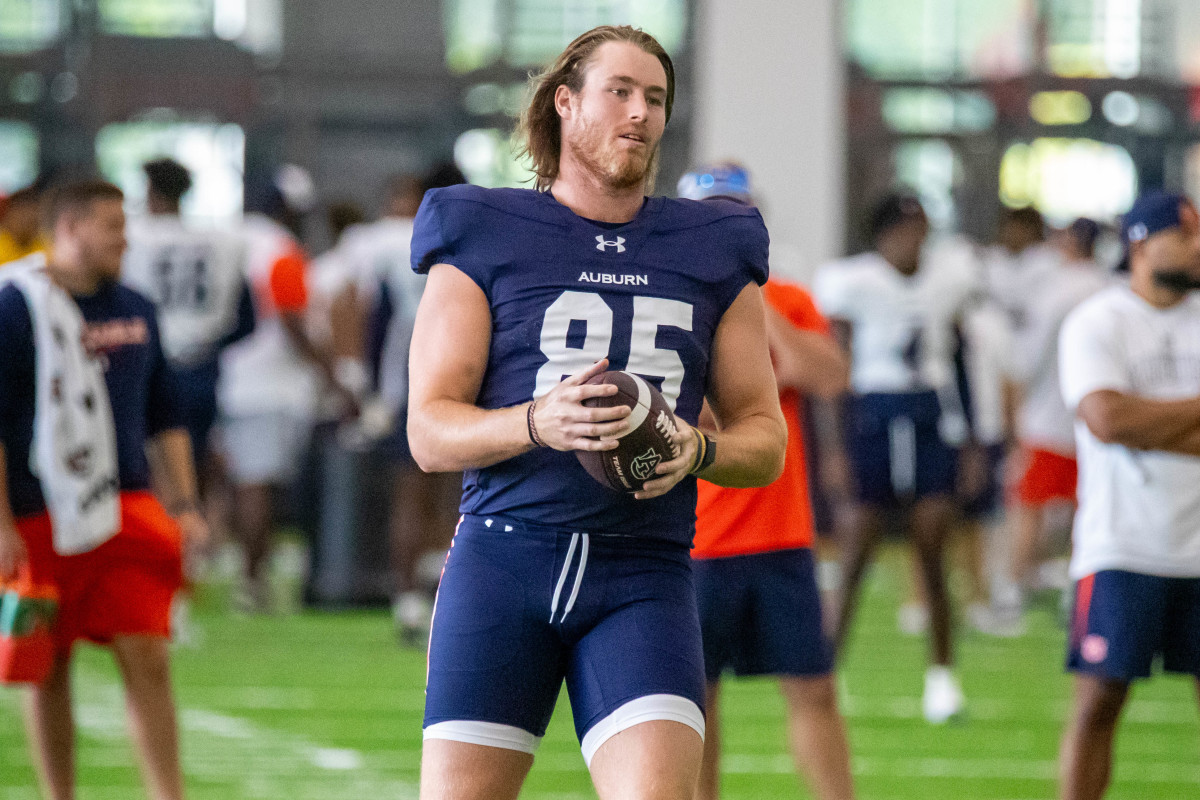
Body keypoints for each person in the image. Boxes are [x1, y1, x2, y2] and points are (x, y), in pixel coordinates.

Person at [407, 25, 785, 800]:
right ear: (565, 102)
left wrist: (699, 451)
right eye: (619, 91)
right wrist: (536, 423)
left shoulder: (714, 244)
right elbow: (428, 430)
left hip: (642, 571)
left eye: (655, 98)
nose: (640, 113)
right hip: (505, 561)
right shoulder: (483, 227)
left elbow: (764, 438)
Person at [0, 179, 207, 800]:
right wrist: (2, 524)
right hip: (40, 510)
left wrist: (187, 503)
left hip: (128, 506)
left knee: (148, 653)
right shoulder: (14, 308)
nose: (125, 239)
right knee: (46, 667)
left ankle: (167, 795)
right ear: (69, 229)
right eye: (112, 226)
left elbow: (164, 412)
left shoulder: (137, 308)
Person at [678, 162, 855, 800]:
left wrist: (753, 297)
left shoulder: (788, 299)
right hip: (698, 537)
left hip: (782, 533)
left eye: (739, 214)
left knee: (814, 686)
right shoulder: (672, 301)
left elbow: (830, 375)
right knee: (694, 699)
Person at [1056, 192, 1200, 800]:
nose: (1198, 247)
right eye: (1186, 234)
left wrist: (1151, 421)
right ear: (1141, 244)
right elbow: (1108, 419)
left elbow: (1129, 419)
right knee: (1098, 703)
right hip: (1120, 544)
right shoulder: (1098, 320)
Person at [813, 194, 977, 723]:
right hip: (872, 414)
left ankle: (942, 679)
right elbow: (832, 369)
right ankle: (827, 680)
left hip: (928, 414)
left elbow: (959, 355)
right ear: (882, 233)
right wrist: (834, 446)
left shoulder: (948, 278)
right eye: (907, 229)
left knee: (933, 547)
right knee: (857, 547)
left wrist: (973, 437)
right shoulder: (854, 282)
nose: (917, 240)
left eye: (922, 228)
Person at [217, 168, 357, 612]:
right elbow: (292, 318)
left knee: (234, 480)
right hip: (269, 381)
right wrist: (332, 376)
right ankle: (251, 580)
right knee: (260, 483)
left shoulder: (228, 239)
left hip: (228, 374)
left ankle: (236, 568)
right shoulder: (278, 249)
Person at [354, 165, 467, 643]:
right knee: (462, 495)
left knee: (412, 493)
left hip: (412, 377)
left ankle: (409, 602)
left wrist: (366, 386)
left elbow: (369, 317)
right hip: (468, 376)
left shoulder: (390, 243)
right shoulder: (478, 236)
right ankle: (445, 599)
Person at [121, 158, 256, 477]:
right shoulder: (224, 241)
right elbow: (245, 316)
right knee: (194, 461)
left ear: (151, 192)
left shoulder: (133, 238)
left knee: (144, 464)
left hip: (145, 360)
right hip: (202, 364)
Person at [1003, 219, 1109, 615]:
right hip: (1093, 417)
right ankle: (1074, 583)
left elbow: (1028, 358)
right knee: (1087, 505)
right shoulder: (1108, 288)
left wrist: (1016, 403)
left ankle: (1014, 586)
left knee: (1029, 505)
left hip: (1048, 415)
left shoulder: (1055, 290)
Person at [0, 184, 50, 267]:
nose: (26, 223)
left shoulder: (48, 250)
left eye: (32, 220)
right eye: (21, 217)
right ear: (8, 216)